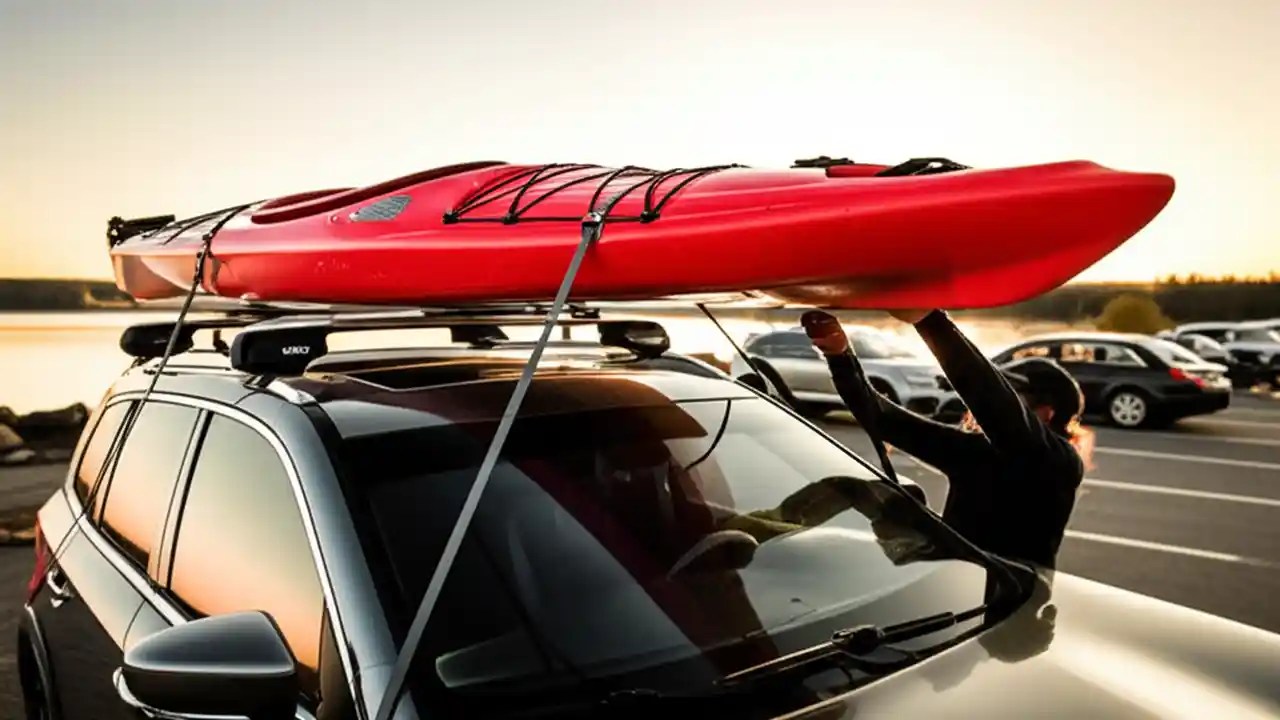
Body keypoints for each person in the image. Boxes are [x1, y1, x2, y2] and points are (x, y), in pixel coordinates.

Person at [799, 308, 1089, 569]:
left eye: (1018, 398)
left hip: (1013, 600)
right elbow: (883, 418)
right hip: (948, 587)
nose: (999, 407)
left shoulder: (1058, 462)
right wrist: (840, 357)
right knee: (859, 490)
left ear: (1046, 413)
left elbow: (992, 399)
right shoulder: (977, 452)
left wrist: (929, 321)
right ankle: (775, 526)